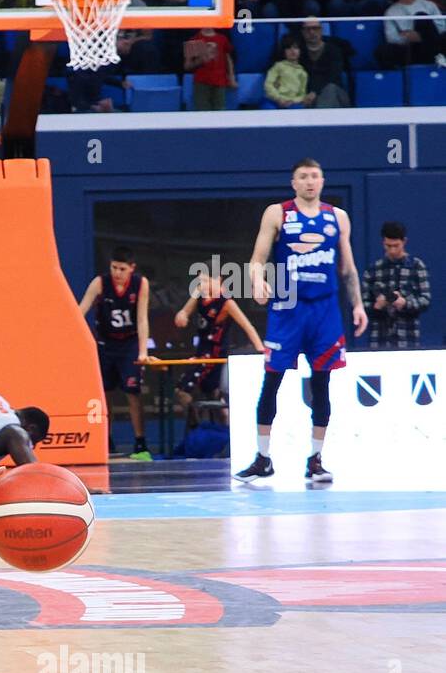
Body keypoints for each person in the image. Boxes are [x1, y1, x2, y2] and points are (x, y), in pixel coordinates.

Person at [235, 159, 368, 484]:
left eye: (315, 176)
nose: (310, 181)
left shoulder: (337, 217)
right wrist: (257, 280)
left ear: (322, 181)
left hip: (324, 312)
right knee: (273, 380)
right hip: (288, 308)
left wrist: (358, 305)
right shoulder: (277, 213)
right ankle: (263, 458)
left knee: (321, 384)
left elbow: (347, 268)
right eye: (303, 176)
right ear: (293, 182)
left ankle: (316, 459)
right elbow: (257, 258)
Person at [78, 245, 153, 460]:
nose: (117, 273)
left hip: (129, 344)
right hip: (105, 344)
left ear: (132, 268)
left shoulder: (141, 284)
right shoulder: (100, 283)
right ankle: (106, 440)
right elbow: (80, 311)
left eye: (122, 269)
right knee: (105, 394)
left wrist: (142, 351)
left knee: (133, 392)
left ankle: (140, 444)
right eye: (113, 268)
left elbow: (141, 319)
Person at [173, 273, 265, 425]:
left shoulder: (226, 303)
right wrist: (182, 314)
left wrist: (261, 351)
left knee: (186, 390)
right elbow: (182, 316)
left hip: (214, 356)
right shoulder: (199, 295)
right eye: (200, 281)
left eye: (205, 280)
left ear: (218, 279)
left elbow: (248, 327)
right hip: (200, 352)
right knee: (206, 395)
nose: (202, 284)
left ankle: (201, 429)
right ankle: (199, 429)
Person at [362, 221, 431, 350]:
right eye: (388, 246)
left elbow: (425, 300)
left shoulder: (416, 267)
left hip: (408, 336)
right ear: (383, 242)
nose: (392, 250)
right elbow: (362, 304)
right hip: (379, 338)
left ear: (404, 242)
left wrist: (405, 303)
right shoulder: (373, 270)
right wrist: (376, 306)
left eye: (396, 245)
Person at [376, 0, 446, 69]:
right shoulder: (391, 11)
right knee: (384, 50)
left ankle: (437, 57)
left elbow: (442, 27)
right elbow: (391, 38)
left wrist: (420, 35)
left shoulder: (429, 5)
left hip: (433, 44)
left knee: (421, 17)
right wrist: (407, 37)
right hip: (411, 48)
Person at [185, 26, 235, 112]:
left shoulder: (222, 39)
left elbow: (228, 59)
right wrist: (201, 60)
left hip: (220, 81)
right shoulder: (194, 40)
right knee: (202, 112)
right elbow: (187, 65)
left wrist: (231, 78)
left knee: (220, 111)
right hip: (201, 83)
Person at [265, 35, 309, 108]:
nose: (292, 51)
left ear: (300, 50)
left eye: (295, 48)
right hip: (273, 100)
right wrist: (278, 98)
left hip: (292, 103)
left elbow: (302, 94)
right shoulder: (278, 66)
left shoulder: (303, 73)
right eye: (288, 48)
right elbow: (268, 84)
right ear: (284, 51)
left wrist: (292, 101)